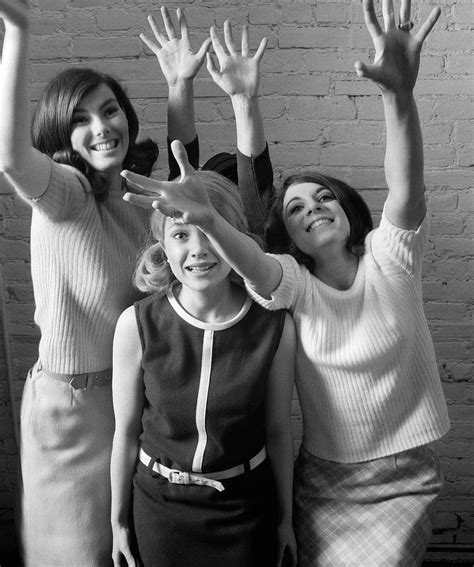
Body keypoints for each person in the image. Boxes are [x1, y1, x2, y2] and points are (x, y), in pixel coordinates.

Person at [121, 0, 450, 564]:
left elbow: (406, 190)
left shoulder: (390, 259)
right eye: (295, 209)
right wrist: (192, 91)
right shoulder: (290, 282)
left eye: (325, 197)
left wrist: (399, 95)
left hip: (405, 468)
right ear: (284, 237)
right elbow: (208, 196)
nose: (313, 209)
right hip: (324, 475)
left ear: (349, 210)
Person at [0, 1, 210, 564]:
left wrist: (178, 85)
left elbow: (180, 180)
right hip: (71, 410)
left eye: (110, 110)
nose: (102, 127)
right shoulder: (65, 193)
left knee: (131, 549)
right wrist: (18, 29)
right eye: (82, 118)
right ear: (61, 134)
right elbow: (11, 156)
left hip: (133, 401)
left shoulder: (128, 194)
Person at [110, 171, 297, 567]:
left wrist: (285, 520)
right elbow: (125, 432)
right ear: (162, 245)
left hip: (246, 511)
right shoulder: (137, 323)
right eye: (181, 234)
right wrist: (118, 522)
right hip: (159, 511)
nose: (198, 250)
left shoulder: (274, 325)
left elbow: (279, 432)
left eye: (211, 230)